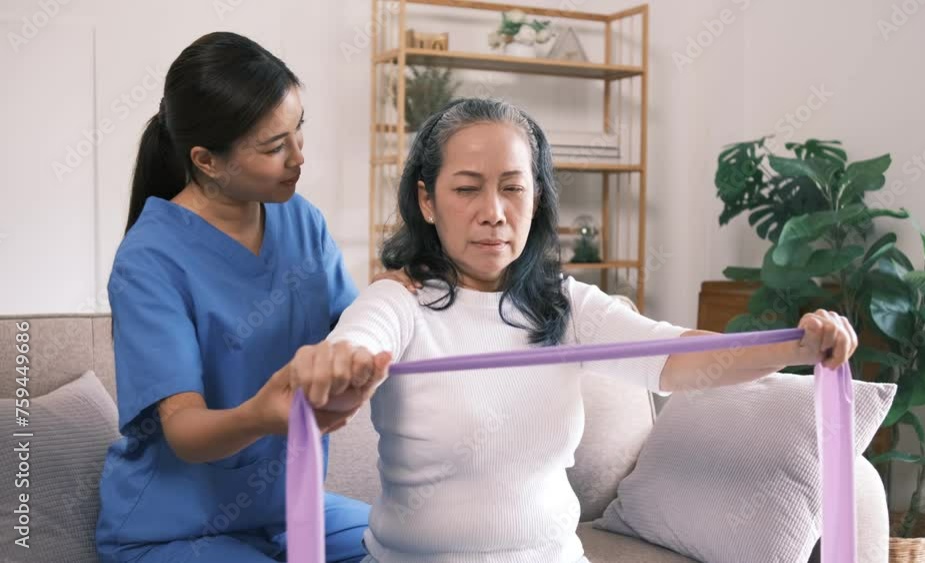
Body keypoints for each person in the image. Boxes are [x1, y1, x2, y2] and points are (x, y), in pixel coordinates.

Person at [292, 97, 861, 562]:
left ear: (536, 198)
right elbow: (356, 343)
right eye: (467, 188)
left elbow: (678, 358)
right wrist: (341, 364)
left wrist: (796, 346)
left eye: (512, 187)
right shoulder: (398, 301)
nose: (494, 212)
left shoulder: (566, 304)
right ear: (428, 200)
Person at [96, 32, 416, 563]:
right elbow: (184, 432)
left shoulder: (303, 222)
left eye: (299, 130)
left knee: (417, 546)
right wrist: (262, 415)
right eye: (274, 147)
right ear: (207, 160)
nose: (299, 157)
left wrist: (391, 297)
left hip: (288, 510)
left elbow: (350, 328)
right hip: (174, 529)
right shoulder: (149, 260)